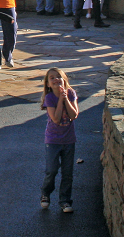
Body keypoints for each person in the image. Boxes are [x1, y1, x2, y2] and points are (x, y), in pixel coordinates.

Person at [40, 67, 79, 214]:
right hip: (53, 140)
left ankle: (65, 201)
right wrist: (60, 100)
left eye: (58, 76)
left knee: (67, 173)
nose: (56, 79)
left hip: (69, 140)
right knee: (52, 170)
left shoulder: (71, 93)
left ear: (64, 80)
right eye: (52, 78)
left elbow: (74, 115)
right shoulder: (49, 98)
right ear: (48, 84)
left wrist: (65, 98)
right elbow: (56, 119)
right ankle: (45, 193)